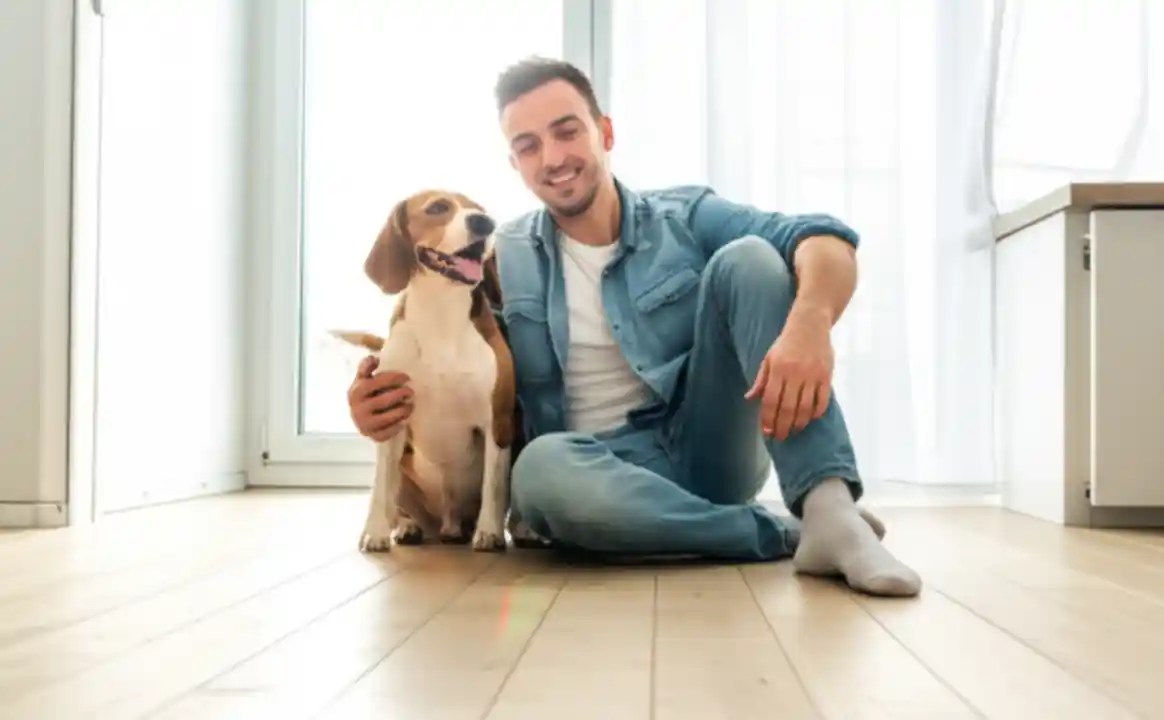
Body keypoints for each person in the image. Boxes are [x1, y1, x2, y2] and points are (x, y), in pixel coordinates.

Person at [347, 57, 921, 597]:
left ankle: (830, 509)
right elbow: (455, 357)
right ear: (515, 165)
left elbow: (823, 237)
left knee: (750, 257)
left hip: (708, 445)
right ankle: (781, 533)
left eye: (567, 131)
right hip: (594, 476)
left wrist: (810, 324)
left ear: (606, 132)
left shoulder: (684, 214)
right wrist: (374, 399)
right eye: (528, 145)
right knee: (541, 470)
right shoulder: (503, 255)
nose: (552, 157)